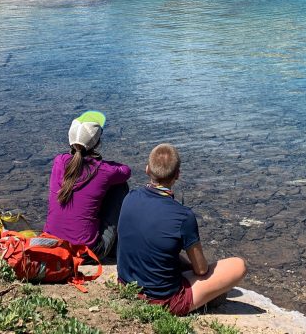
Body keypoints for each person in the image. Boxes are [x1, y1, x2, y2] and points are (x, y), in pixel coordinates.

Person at [117, 143, 246, 316]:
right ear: (177, 174)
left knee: (159, 245)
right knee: (239, 265)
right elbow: (201, 270)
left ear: (147, 169)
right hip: (163, 300)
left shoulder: (129, 197)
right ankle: (207, 299)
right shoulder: (183, 216)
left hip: (127, 285)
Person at [43, 111, 131, 260]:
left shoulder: (59, 161)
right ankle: (116, 246)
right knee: (120, 186)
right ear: (97, 143)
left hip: (52, 243)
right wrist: (104, 163)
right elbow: (126, 171)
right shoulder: (103, 170)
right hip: (87, 252)